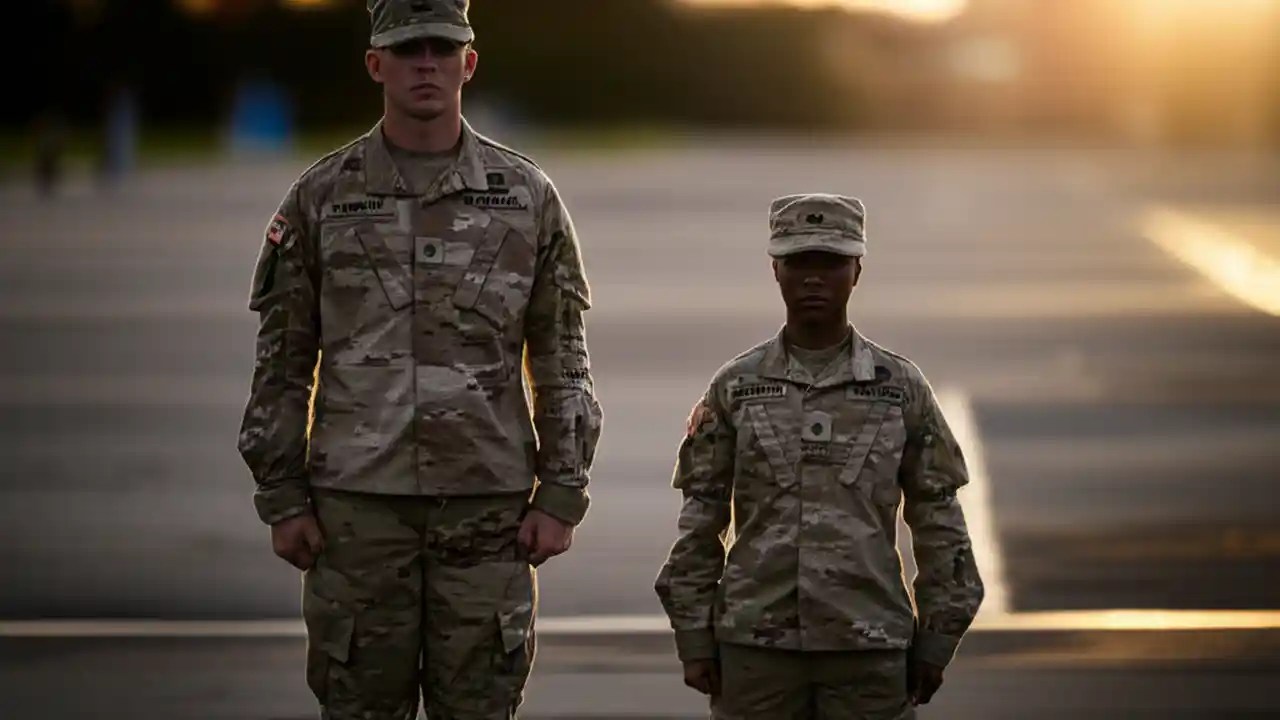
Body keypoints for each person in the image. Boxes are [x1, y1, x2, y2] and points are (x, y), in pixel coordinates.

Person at [237, 1, 602, 717]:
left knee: (480, 706)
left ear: (470, 62)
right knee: (360, 705)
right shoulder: (322, 196)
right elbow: (282, 362)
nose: (426, 64)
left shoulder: (526, 197)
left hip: (487, 509)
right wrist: (281, 495)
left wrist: (563, 490)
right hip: (357, 513)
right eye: (408, 50)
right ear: (376, 64)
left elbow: (562, 356)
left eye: (442, 47)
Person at [655, 194, 984, 719]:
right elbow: (700, 521)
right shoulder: (736, 387)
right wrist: (693, 635)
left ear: (857, 270)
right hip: (757, 649)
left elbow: (940, 522)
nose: (813, 278)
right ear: (776, 270)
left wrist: (938, 638)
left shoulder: (899, 388)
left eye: (830, 262)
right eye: (798, 261)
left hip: (867, 644)